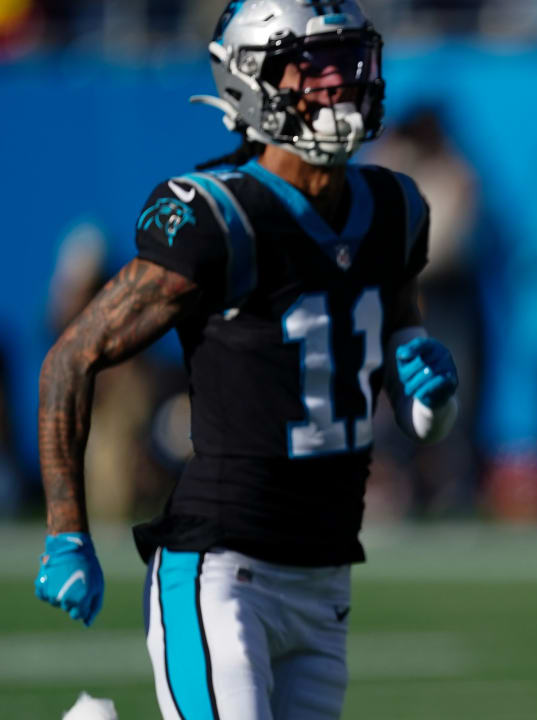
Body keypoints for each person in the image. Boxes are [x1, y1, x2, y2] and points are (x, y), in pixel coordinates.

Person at [33, 2, 459, 718]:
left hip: (325, 579)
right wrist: (66, 530)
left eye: (348, 60)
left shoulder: (395, 209)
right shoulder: (219, 216)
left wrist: (434, 394)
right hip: (223, 569)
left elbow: (413, 406)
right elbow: (71, 358)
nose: (340, 82)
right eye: (314, 65)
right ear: (251, 79)